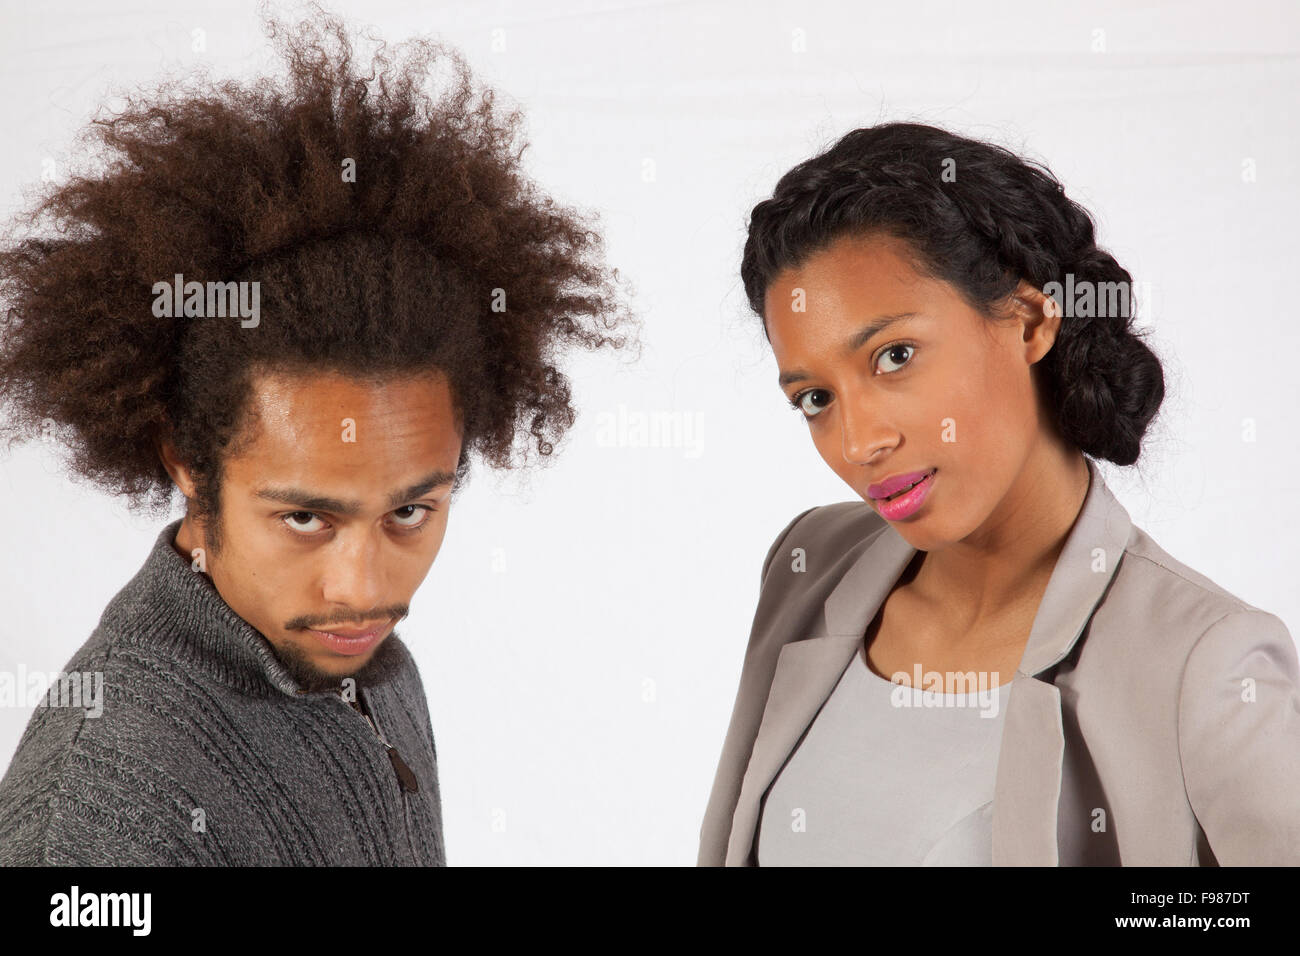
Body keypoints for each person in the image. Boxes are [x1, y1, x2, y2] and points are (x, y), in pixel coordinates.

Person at [0, 8, 634, 865]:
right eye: (306, 518)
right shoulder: (105, 811)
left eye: (411, 511)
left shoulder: (378, 672)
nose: (361, 589)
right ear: (187, 458)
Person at [698, 121, 1300, 866]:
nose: (859, 443)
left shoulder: (1203, 662)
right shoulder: (809, 564)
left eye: (894, 356)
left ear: (1031, 319)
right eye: (815, 398)